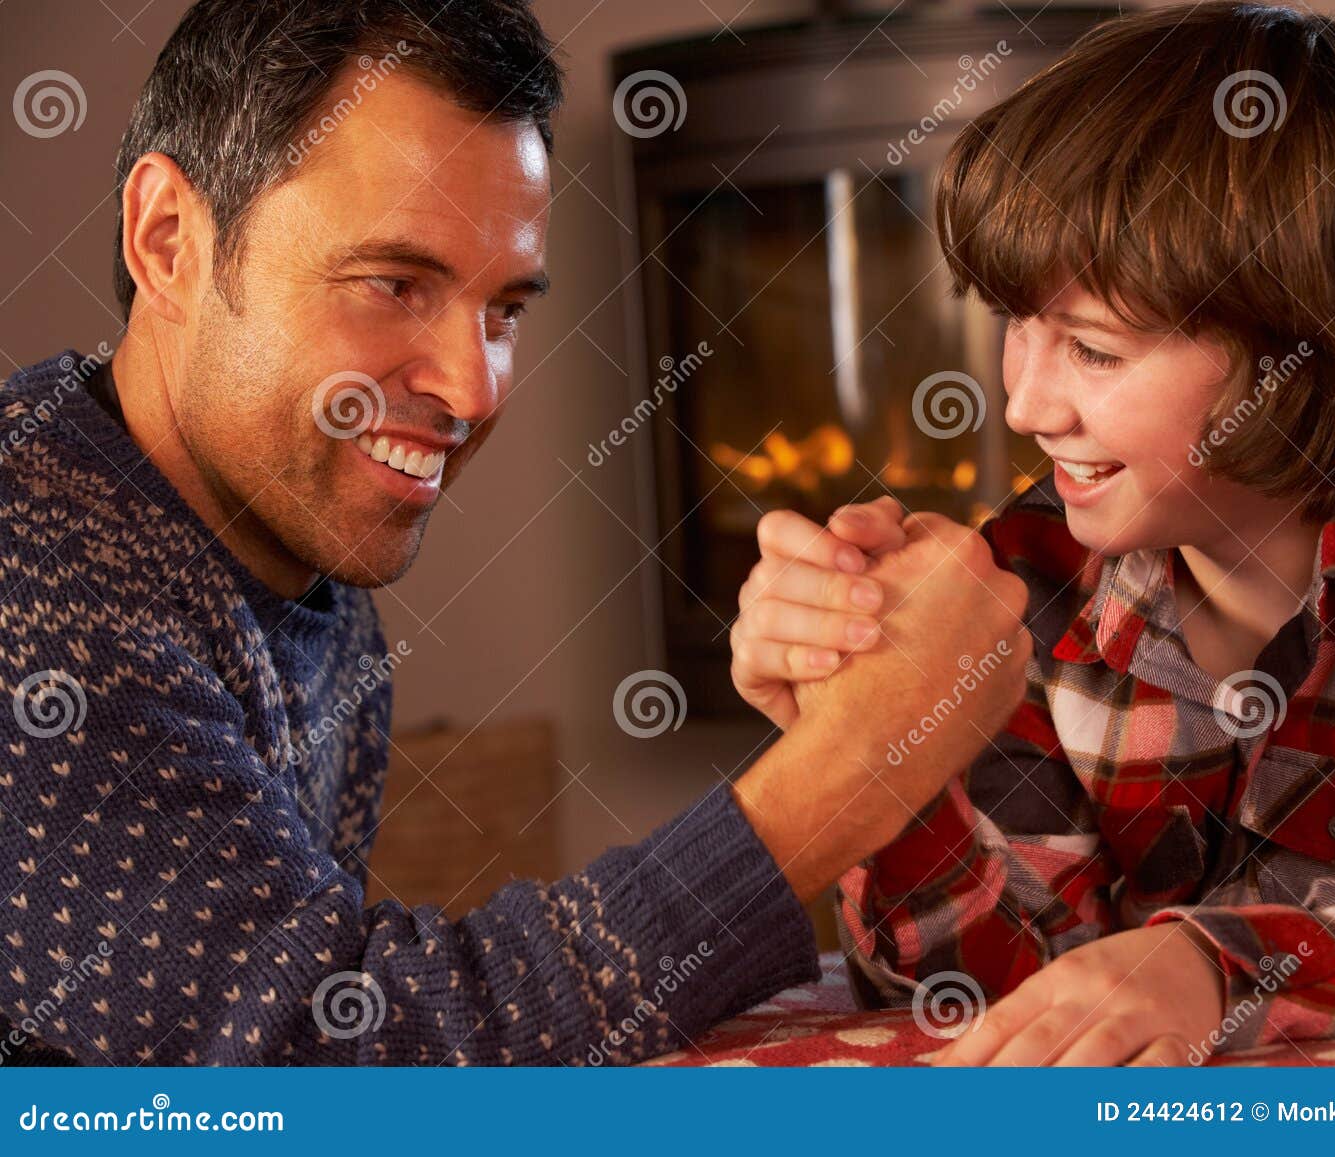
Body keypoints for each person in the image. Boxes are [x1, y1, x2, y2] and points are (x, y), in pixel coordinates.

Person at [0, 0, 1033, 1065]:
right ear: (169, 240)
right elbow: (336, 1070)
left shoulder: (294, 554)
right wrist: (851, 766)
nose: (469, 384)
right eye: (393, 284)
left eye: (503, 310)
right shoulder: (29, 572)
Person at [730, 1, 1335, 1066]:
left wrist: (1228, 965)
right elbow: (1007, 986)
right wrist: (882, 749)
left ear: (1306, 353)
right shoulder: (1032, 573)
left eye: (1093, 350)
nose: (1023, 406)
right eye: (1017, 324)